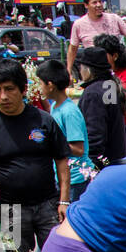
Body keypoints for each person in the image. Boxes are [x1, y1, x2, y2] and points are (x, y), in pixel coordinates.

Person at [0, 59, 71, 252]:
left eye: (9, 89)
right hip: (11, 210)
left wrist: (64, 201)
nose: (3, 96)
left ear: (24, 89)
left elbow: (62, 161)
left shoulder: (44, 120)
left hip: (48, 205)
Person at [37, 59, 92, 203]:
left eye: (40, 83)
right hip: (63, 176)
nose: (39, 88)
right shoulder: (55, 106)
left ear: (50, 85)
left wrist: (51, 143)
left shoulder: (69, 112)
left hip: (76, 179)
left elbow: (79, 149)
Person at [74, 46, 126, 170]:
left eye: (81, 67)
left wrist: (93, 165)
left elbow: (95, 132)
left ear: (89, 70)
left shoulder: (93, 93)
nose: (80, 70)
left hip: (104, 163)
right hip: (116, 157)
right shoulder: (108, 85)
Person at [67, 0, 126, 80]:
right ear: (86, 5)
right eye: (94, 2)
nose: (99, 5)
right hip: (94, 74)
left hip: (116, 71)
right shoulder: (79, 24)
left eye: (100, 1)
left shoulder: (114, 19)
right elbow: (72, 50)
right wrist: (69, 71)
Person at [97, 34, 126, 154]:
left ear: (114, 56)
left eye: (102, 54)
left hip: (121, 130)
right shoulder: (109, 74)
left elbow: (119, 103)